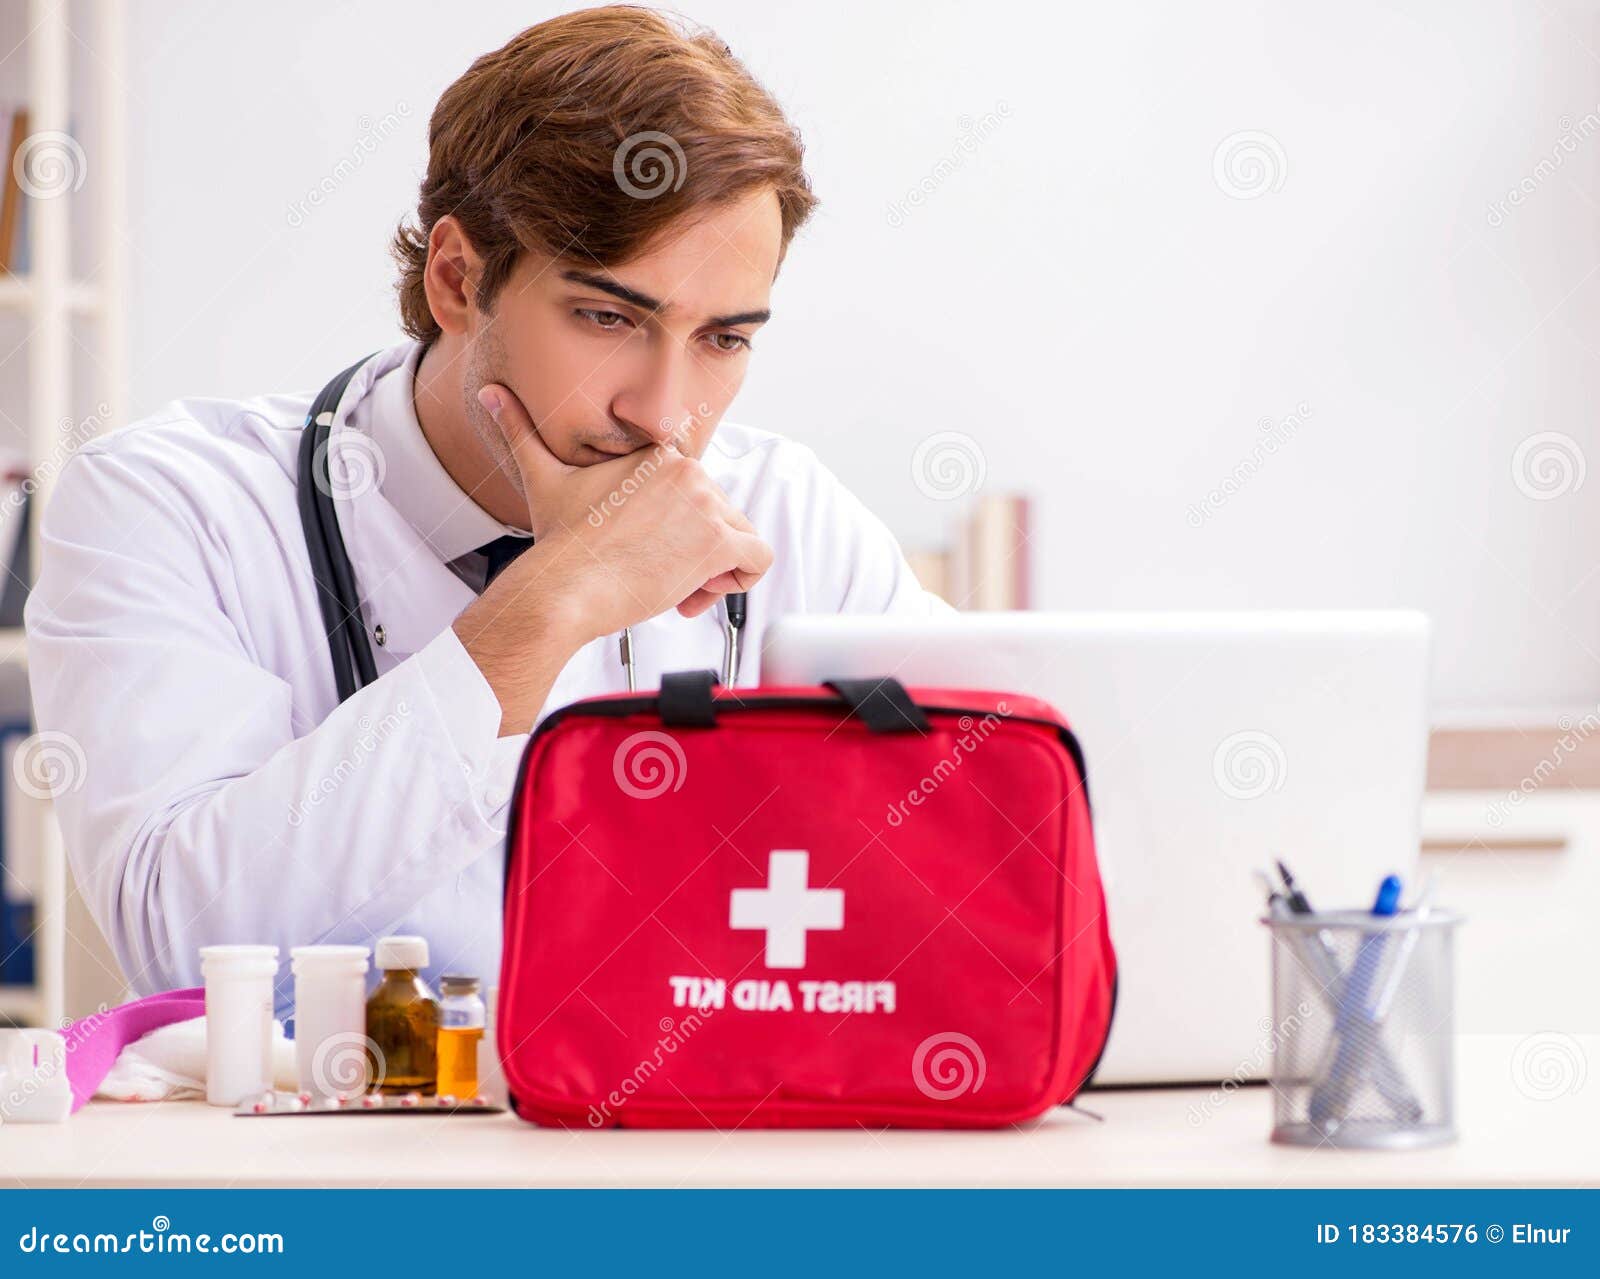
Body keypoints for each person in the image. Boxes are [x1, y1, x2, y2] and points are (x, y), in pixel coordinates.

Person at [24, 7, 951, 1011]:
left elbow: (996, 849)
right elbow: (188, 941)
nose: (666, 413)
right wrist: (548, 605)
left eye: (723, 340)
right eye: (607, 318)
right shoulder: (170, 503)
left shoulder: (788, 515)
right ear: (458, 277)